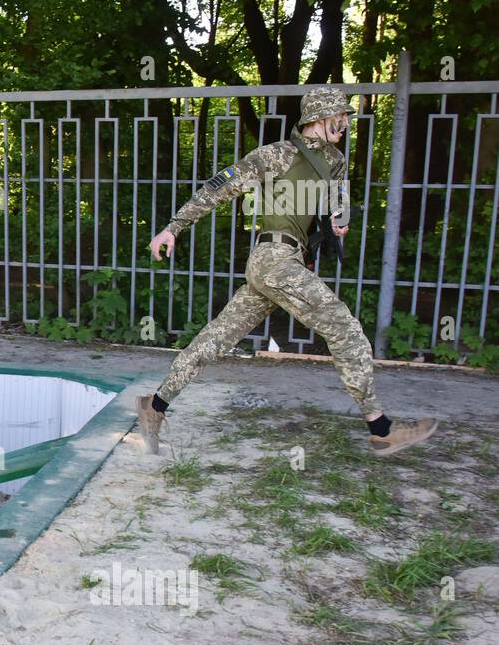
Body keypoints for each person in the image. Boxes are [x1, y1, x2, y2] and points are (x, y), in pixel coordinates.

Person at [136, 86, 437, 457]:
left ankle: (155, 406)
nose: (344, 123)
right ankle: (381, 429)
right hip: (272, 258)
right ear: (317, 118)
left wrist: (338, 221)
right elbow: (219, 187)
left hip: (288, 261)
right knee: (343, 326)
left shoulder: (336, 161)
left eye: (346, 117)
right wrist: (173, 227)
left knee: (215, 339)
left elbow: (337, 205)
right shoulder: (277, 154)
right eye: (338, 117)